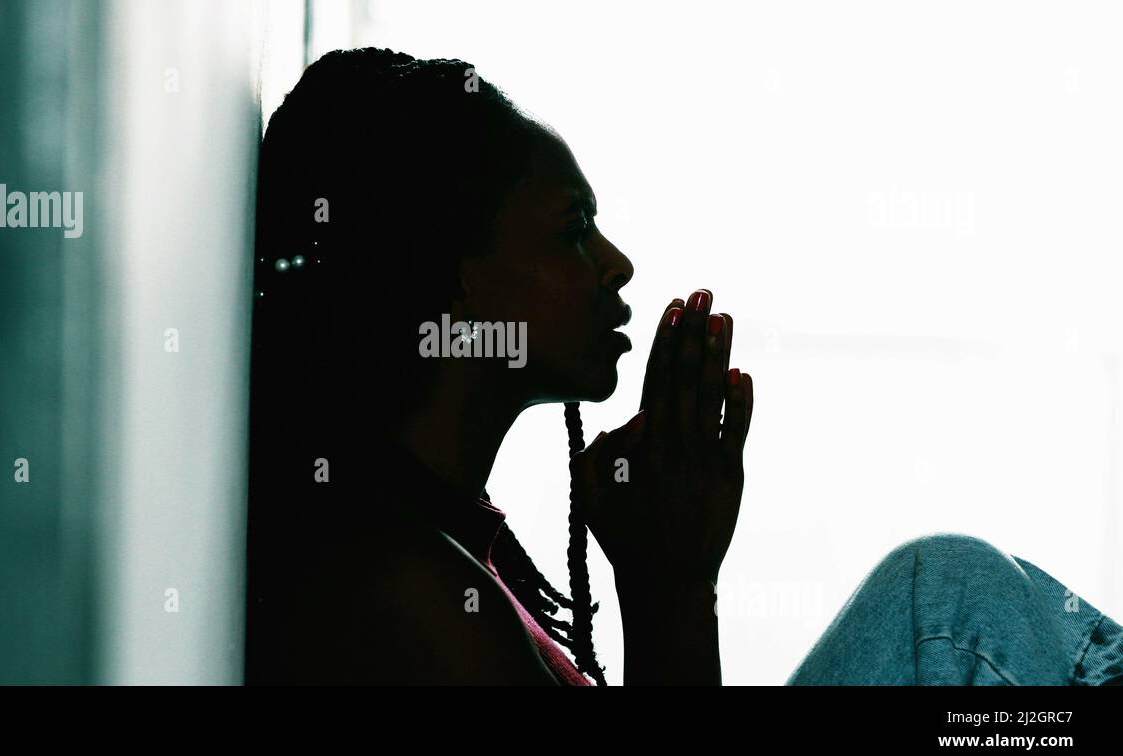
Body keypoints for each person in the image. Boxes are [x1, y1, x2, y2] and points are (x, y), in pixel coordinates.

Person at [244, 47, 1122, 686]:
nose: (616, 263)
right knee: (946, 605)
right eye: (572, 229)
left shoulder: (445, 560)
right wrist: (670, 588)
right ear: (456, 274)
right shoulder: (399, 592)